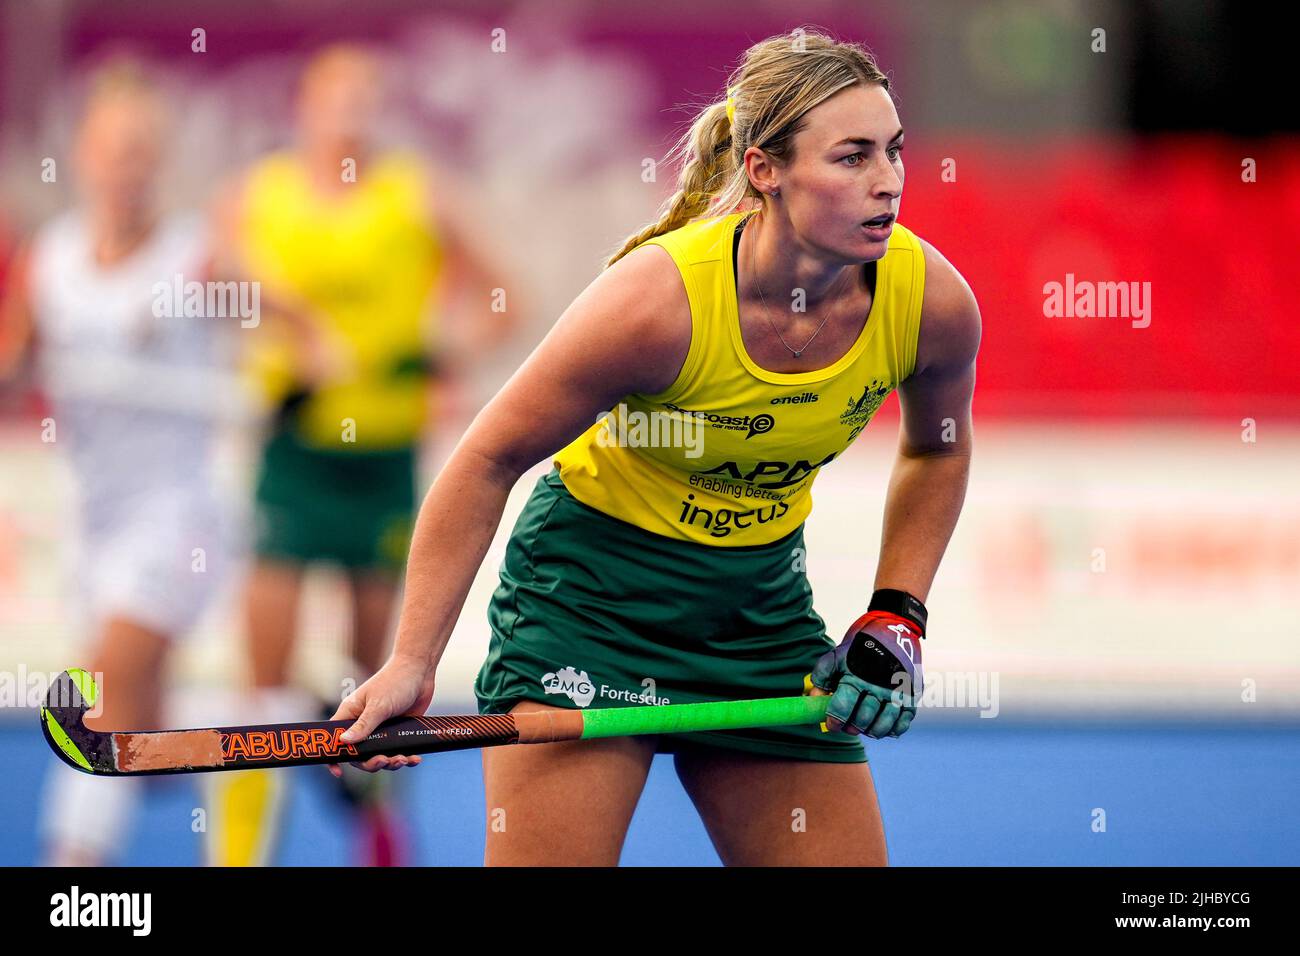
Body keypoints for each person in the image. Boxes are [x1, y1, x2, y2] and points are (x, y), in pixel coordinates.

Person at [329, 30, 981, 866]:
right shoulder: (654, 304)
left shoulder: (933, 303)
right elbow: (486, 458)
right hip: (587, 609)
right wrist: (412, 663)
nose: (887, 180)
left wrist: (898, 614)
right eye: (851, 157)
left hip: (755, 616)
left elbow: (939, 450)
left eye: (893, 150)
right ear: (764, 169)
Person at [206, 43, 514, 866]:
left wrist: (438, 351)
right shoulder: (260, 194)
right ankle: (236, 856)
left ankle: (381, 848)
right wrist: (288, 317)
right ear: (304, 109)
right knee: (261, 676)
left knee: (375, 678)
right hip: (292, 449)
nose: (347, 118)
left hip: (383, 459)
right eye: (332, 101)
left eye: (362, 102)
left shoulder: (414, 196)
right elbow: (207, 282)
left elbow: (501, 304)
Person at [0, 60, 235, 866]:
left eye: (141, 151)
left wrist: (316, 374)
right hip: (91, 521)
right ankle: (207, 768)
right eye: (112, 150)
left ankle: (70, 875)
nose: (125, 167)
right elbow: (13, 359)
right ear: (84, 156)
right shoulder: (52, 258)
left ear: (157, 161)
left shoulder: (194, 256)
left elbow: (293, 322)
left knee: (94, 699)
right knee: (141, 724)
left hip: (178, 517)